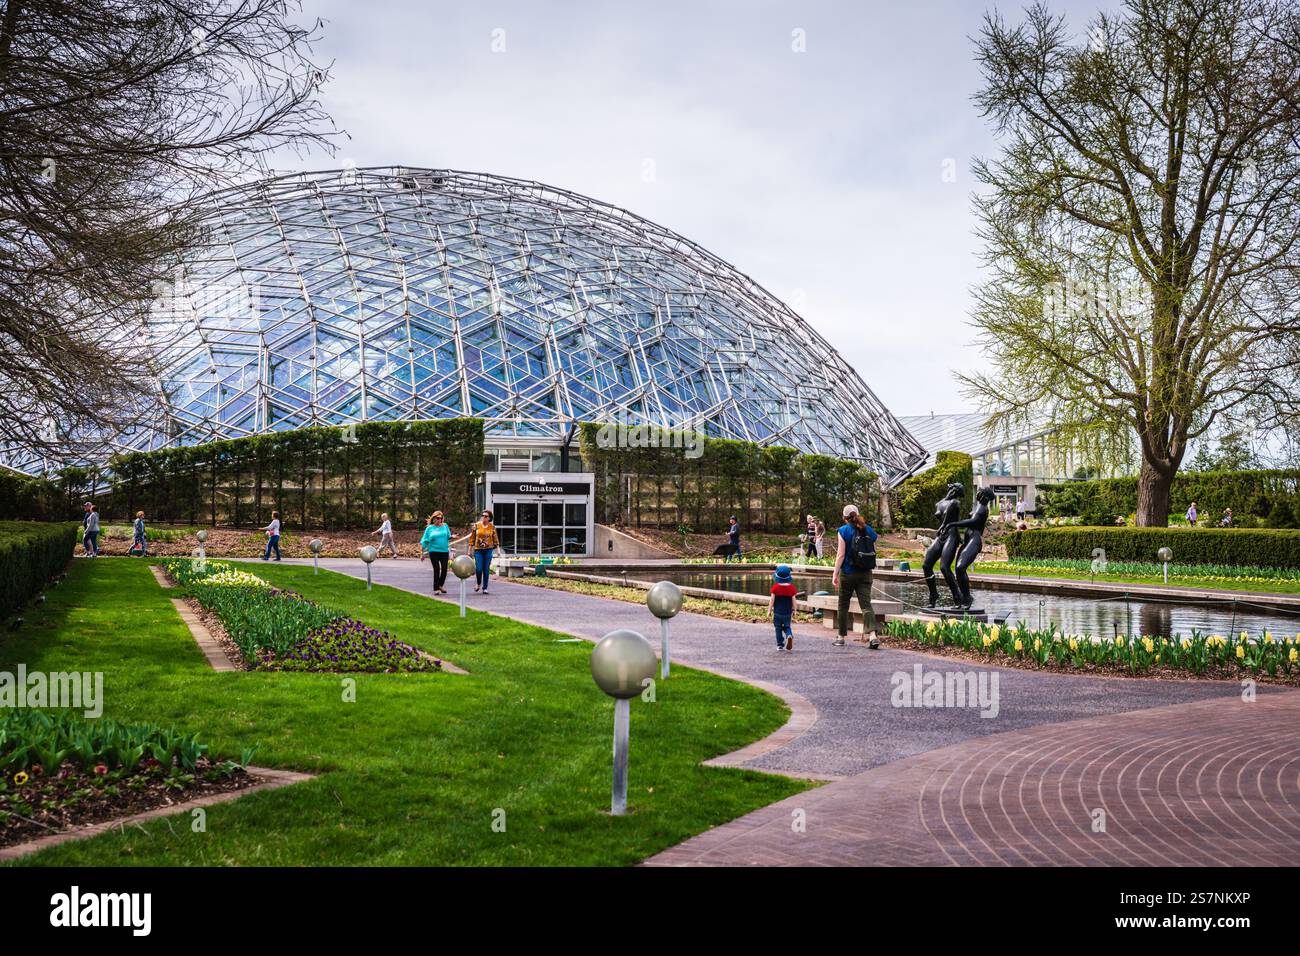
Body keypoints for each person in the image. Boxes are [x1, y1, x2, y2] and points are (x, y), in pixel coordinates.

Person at [832, 504, 879, 648]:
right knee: (866, 605)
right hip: (865, 573)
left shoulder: (843, 530)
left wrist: (835, 573)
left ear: (845, 518)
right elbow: (873, 550)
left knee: (843, 605)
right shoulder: (869, 530)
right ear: (857, 514)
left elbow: (840, 555)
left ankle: (840, 637)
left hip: (848, 572)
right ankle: (872, 636)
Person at [419, 511, 452, 594]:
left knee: (445, 569)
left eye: (441, 518)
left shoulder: (445, 526)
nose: (440, 520)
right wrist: (422, 553)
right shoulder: (429, 528)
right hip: (434, 551)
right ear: (433, 519)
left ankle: (440, 585)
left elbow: (448, 536)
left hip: (444, 551)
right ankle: (436, 588)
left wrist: (453, 536)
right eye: (438, 518)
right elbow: (424, 541)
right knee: (436, 569)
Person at [768, 564, 798, 652]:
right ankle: (789, 635)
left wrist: (769, 610)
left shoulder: (775, 588)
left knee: (778, 628)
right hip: (787, 613)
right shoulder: (791, 588)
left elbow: (772, 600)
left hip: (777, 613)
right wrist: (795, 610)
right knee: (787, 626)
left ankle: (780, 645)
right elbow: (794, 600)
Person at [469, 510, 498, 593]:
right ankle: (478, 583)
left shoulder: (492, 527)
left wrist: (498, 550)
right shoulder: (476, 525)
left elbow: (495, 538)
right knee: (478, 569)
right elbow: (472, 538)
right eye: (482, 516)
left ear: (489, 518)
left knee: (486, 569)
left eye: (486, 516)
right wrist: (469, 550)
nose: (483, 517)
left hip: (488, 550)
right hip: (478, 550)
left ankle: (485, 588)